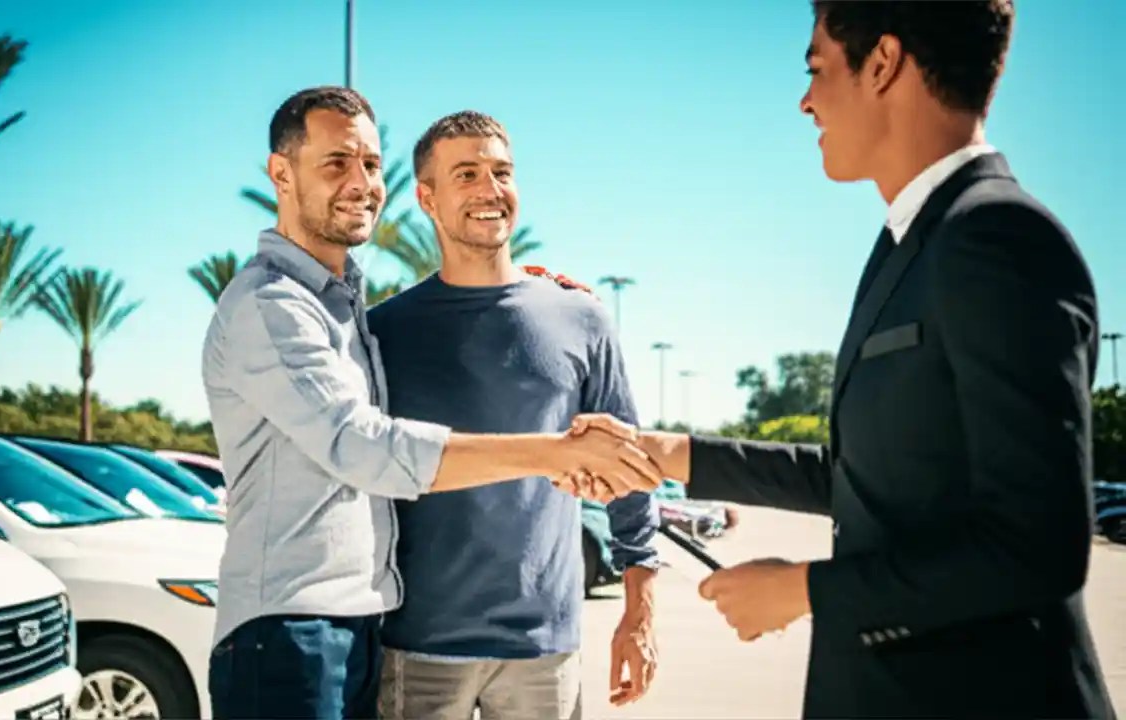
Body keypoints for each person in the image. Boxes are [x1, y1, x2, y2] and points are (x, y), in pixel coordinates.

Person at [575, 1, 1116, 717]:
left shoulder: (999, 238)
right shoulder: (908, 242)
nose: (805, 100)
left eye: (817, 68)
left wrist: (799, 589)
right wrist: (661, 452)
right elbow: (866, 478)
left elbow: (1037, 549)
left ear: (883, 63)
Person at [201, 87, 662, 720]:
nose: (360, 181)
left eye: (369, 163)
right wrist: (556, 450)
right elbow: (361, 444)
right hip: (309, 631)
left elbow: (630, 467)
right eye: (336, 162)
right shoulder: (285, 306)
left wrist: (642, 599)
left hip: (379, 628)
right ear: (281, 174)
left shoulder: (349, 314)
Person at [366, 111, 661, 720]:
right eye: (466, 173)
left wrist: (640, 612)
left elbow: (631, 473)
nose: (489, 190)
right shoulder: (384, 331)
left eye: (501, 172)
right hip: (416, 643)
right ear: (427, 197)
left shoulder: (581, 320)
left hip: (543, 647)